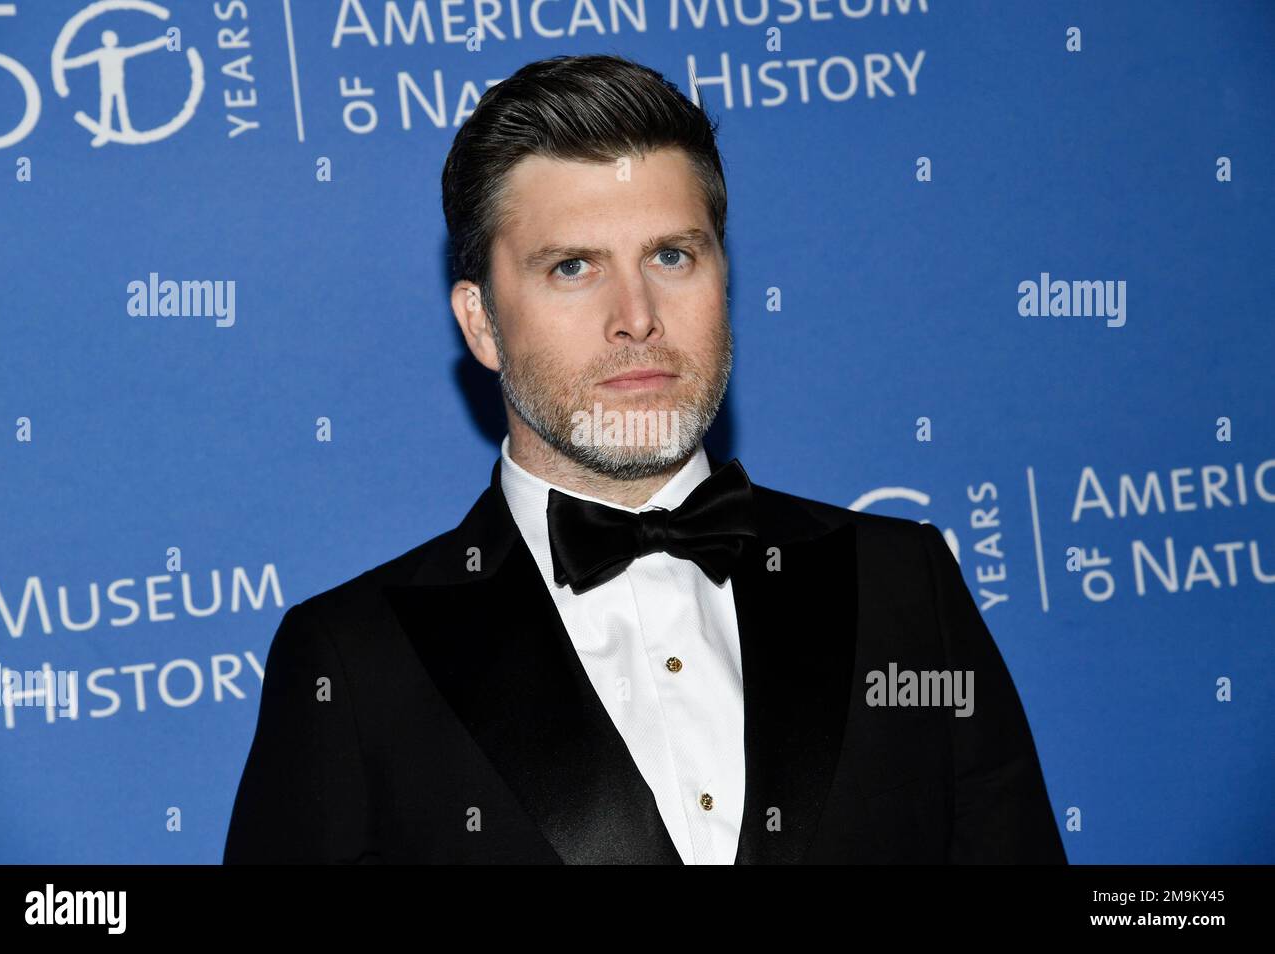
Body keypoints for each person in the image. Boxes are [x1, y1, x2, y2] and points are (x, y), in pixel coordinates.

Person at [223, 53, 1066, 865]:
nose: (637, 316)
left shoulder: (904, 588)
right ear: (480, 323)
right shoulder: (354, 661)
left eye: (672, 256)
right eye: (574, 267)